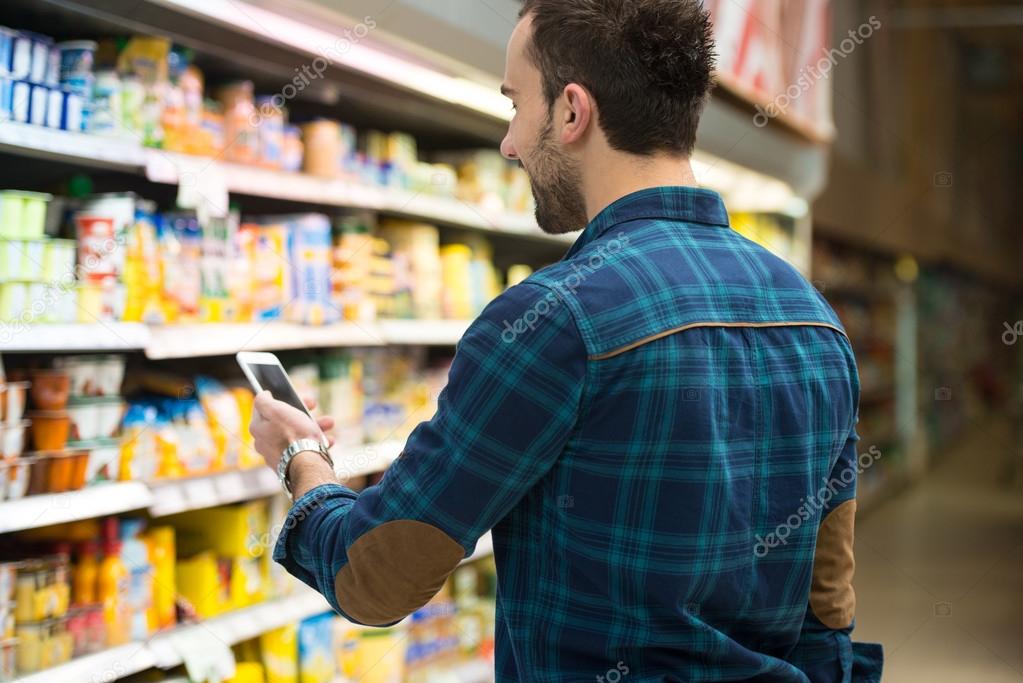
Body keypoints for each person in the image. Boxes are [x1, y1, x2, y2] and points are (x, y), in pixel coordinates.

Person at [249, 1, 884, 680]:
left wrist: (303, 462)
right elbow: (827, 607)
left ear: (572, 112)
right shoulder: (813, 318)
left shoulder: (550, 320)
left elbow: (375, 576)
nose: (509, 143)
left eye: (516, 104)